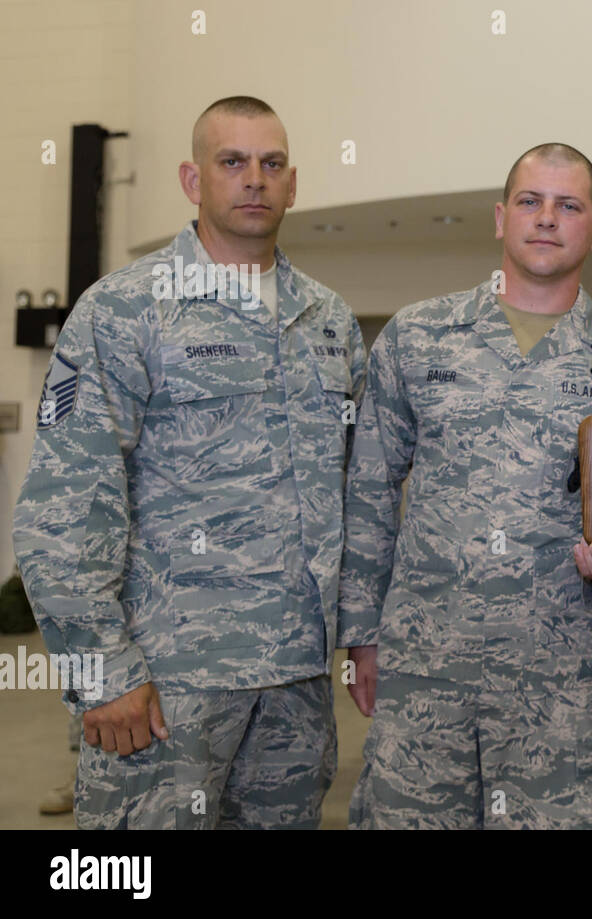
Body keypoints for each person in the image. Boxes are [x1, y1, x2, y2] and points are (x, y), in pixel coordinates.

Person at [13, 95, 365, 829]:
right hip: (165, 688)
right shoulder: (125, 310)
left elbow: (355, 494)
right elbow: (64, 506)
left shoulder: (327, 320)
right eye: (231, 162)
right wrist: (99, 670)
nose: (254, 180)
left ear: (293, 184)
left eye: (271, 164)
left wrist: (360, 632)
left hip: (296, 686)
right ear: (191, 179)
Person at [341, 143, 592, 829]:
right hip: (424, 672)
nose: (546, 218)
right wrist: (360, 631)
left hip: (555, 685)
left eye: (569, 205)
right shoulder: (419, 338)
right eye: (530, 201)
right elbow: (370, 487)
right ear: (501, 218)